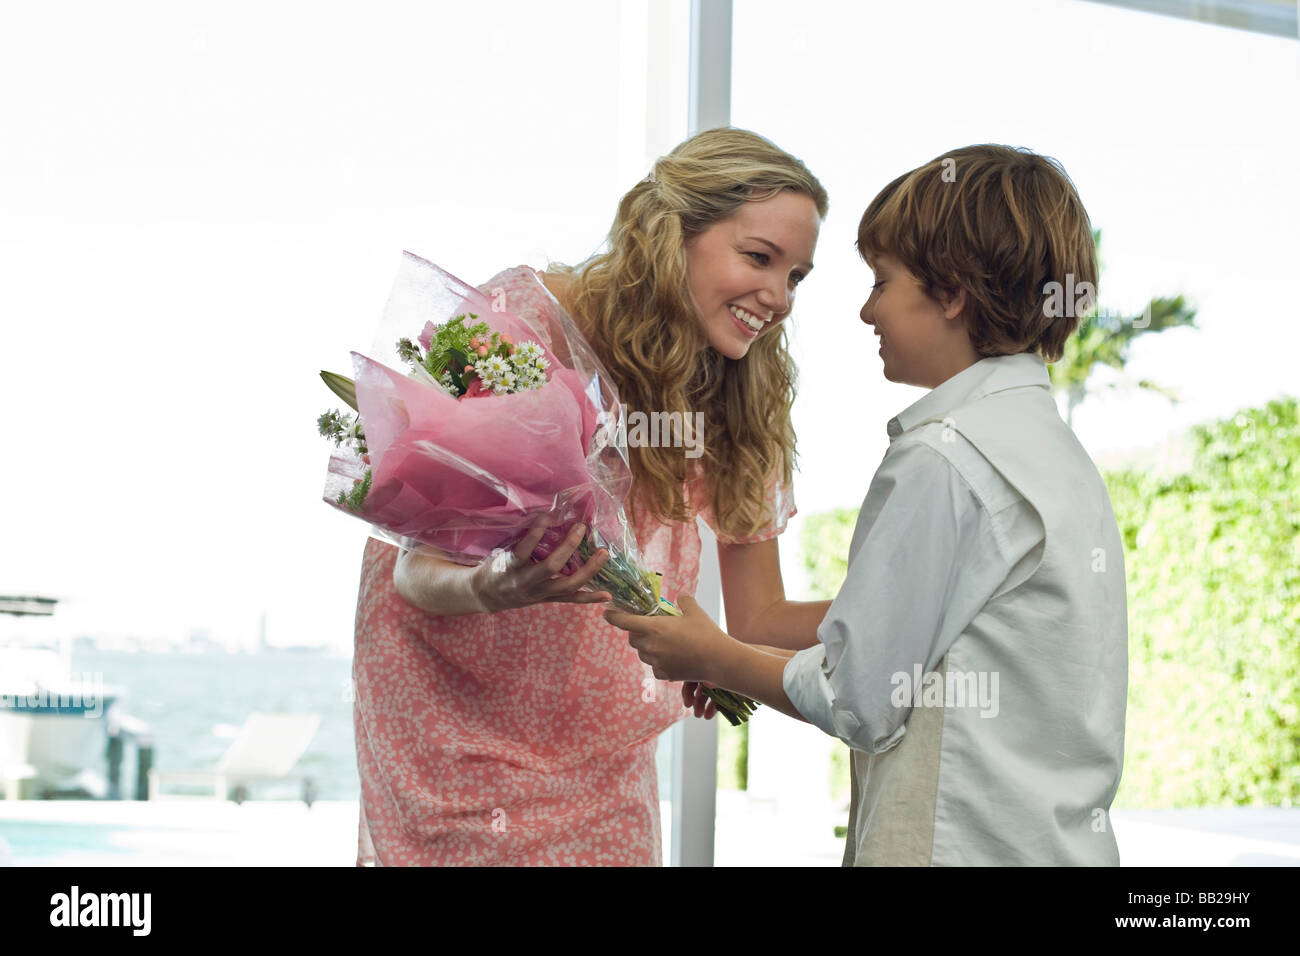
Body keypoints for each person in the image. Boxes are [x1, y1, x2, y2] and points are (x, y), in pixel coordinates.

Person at [608, 144, 1129, 866]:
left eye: (882, 281)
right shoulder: (1052, 454)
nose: (865, 309)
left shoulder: (945, 455)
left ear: (951, 294)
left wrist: (716, 655)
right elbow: (923, 640)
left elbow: (860, 699)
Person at [352, 128, 831, 866]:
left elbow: (761, 617)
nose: (779, 298)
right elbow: (407, 571)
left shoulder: (742, 392)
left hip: (606, 767)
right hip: (461, 759)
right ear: (673, 234)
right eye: (759, 258)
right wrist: (497, 584)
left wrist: (920, 611)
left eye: (797, 276)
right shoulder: (518, 324)